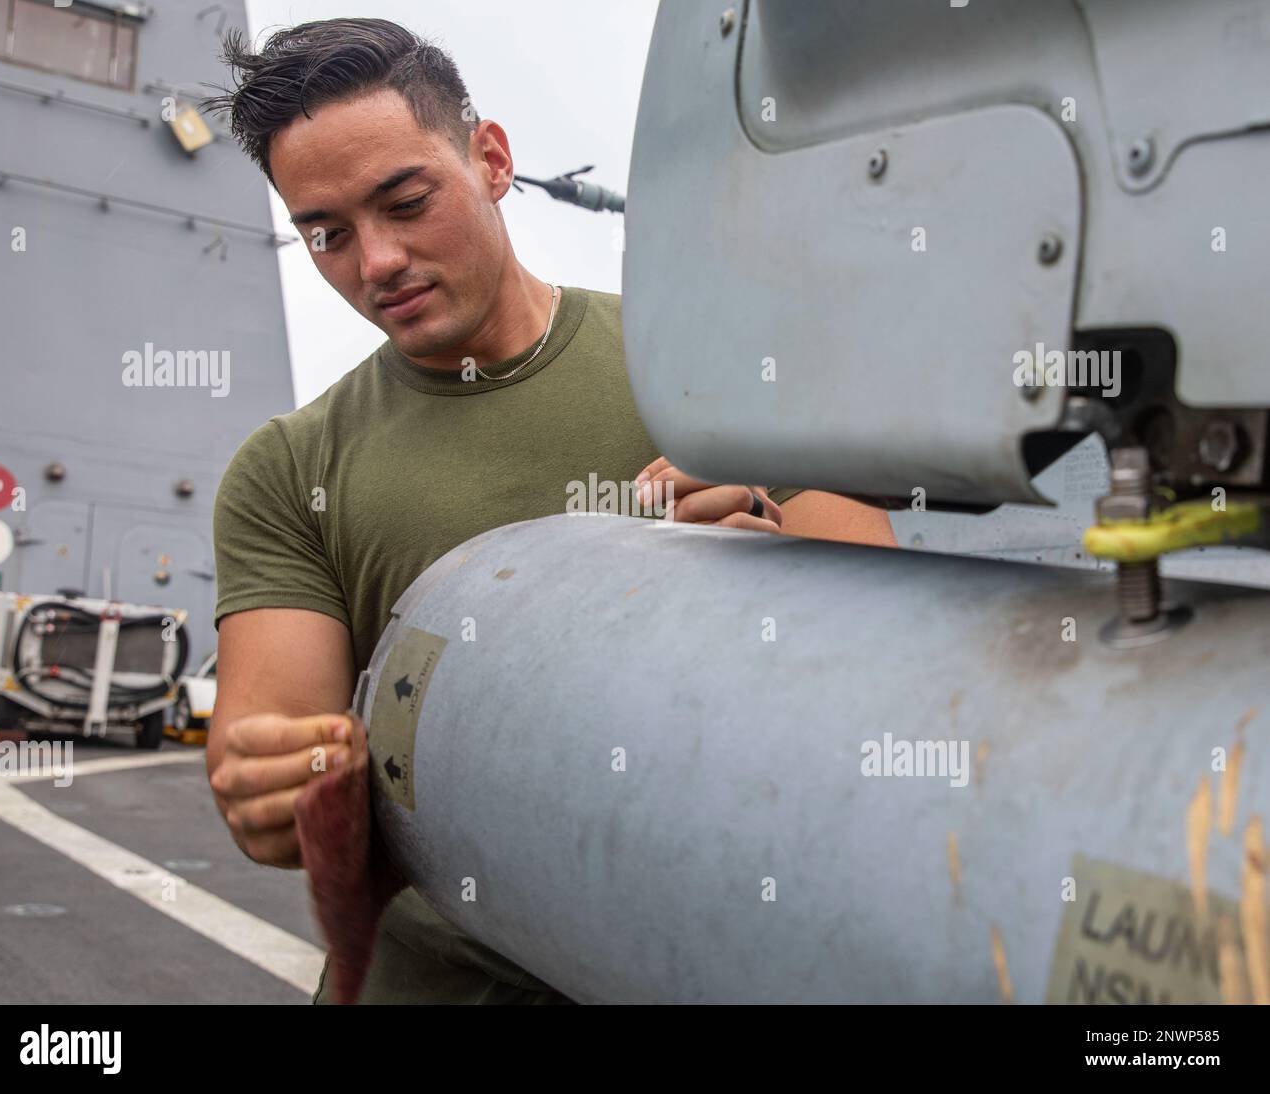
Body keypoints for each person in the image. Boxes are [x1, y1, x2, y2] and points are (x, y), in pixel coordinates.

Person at [203, 17, 895, 1005]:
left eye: (405, 201)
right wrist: (271, 787)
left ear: (490, 159)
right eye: (328, 234)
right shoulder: (287, 468)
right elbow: (273, 775)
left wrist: (776, 574)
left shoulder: (724, 375)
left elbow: (885, 676)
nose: (379, 260)